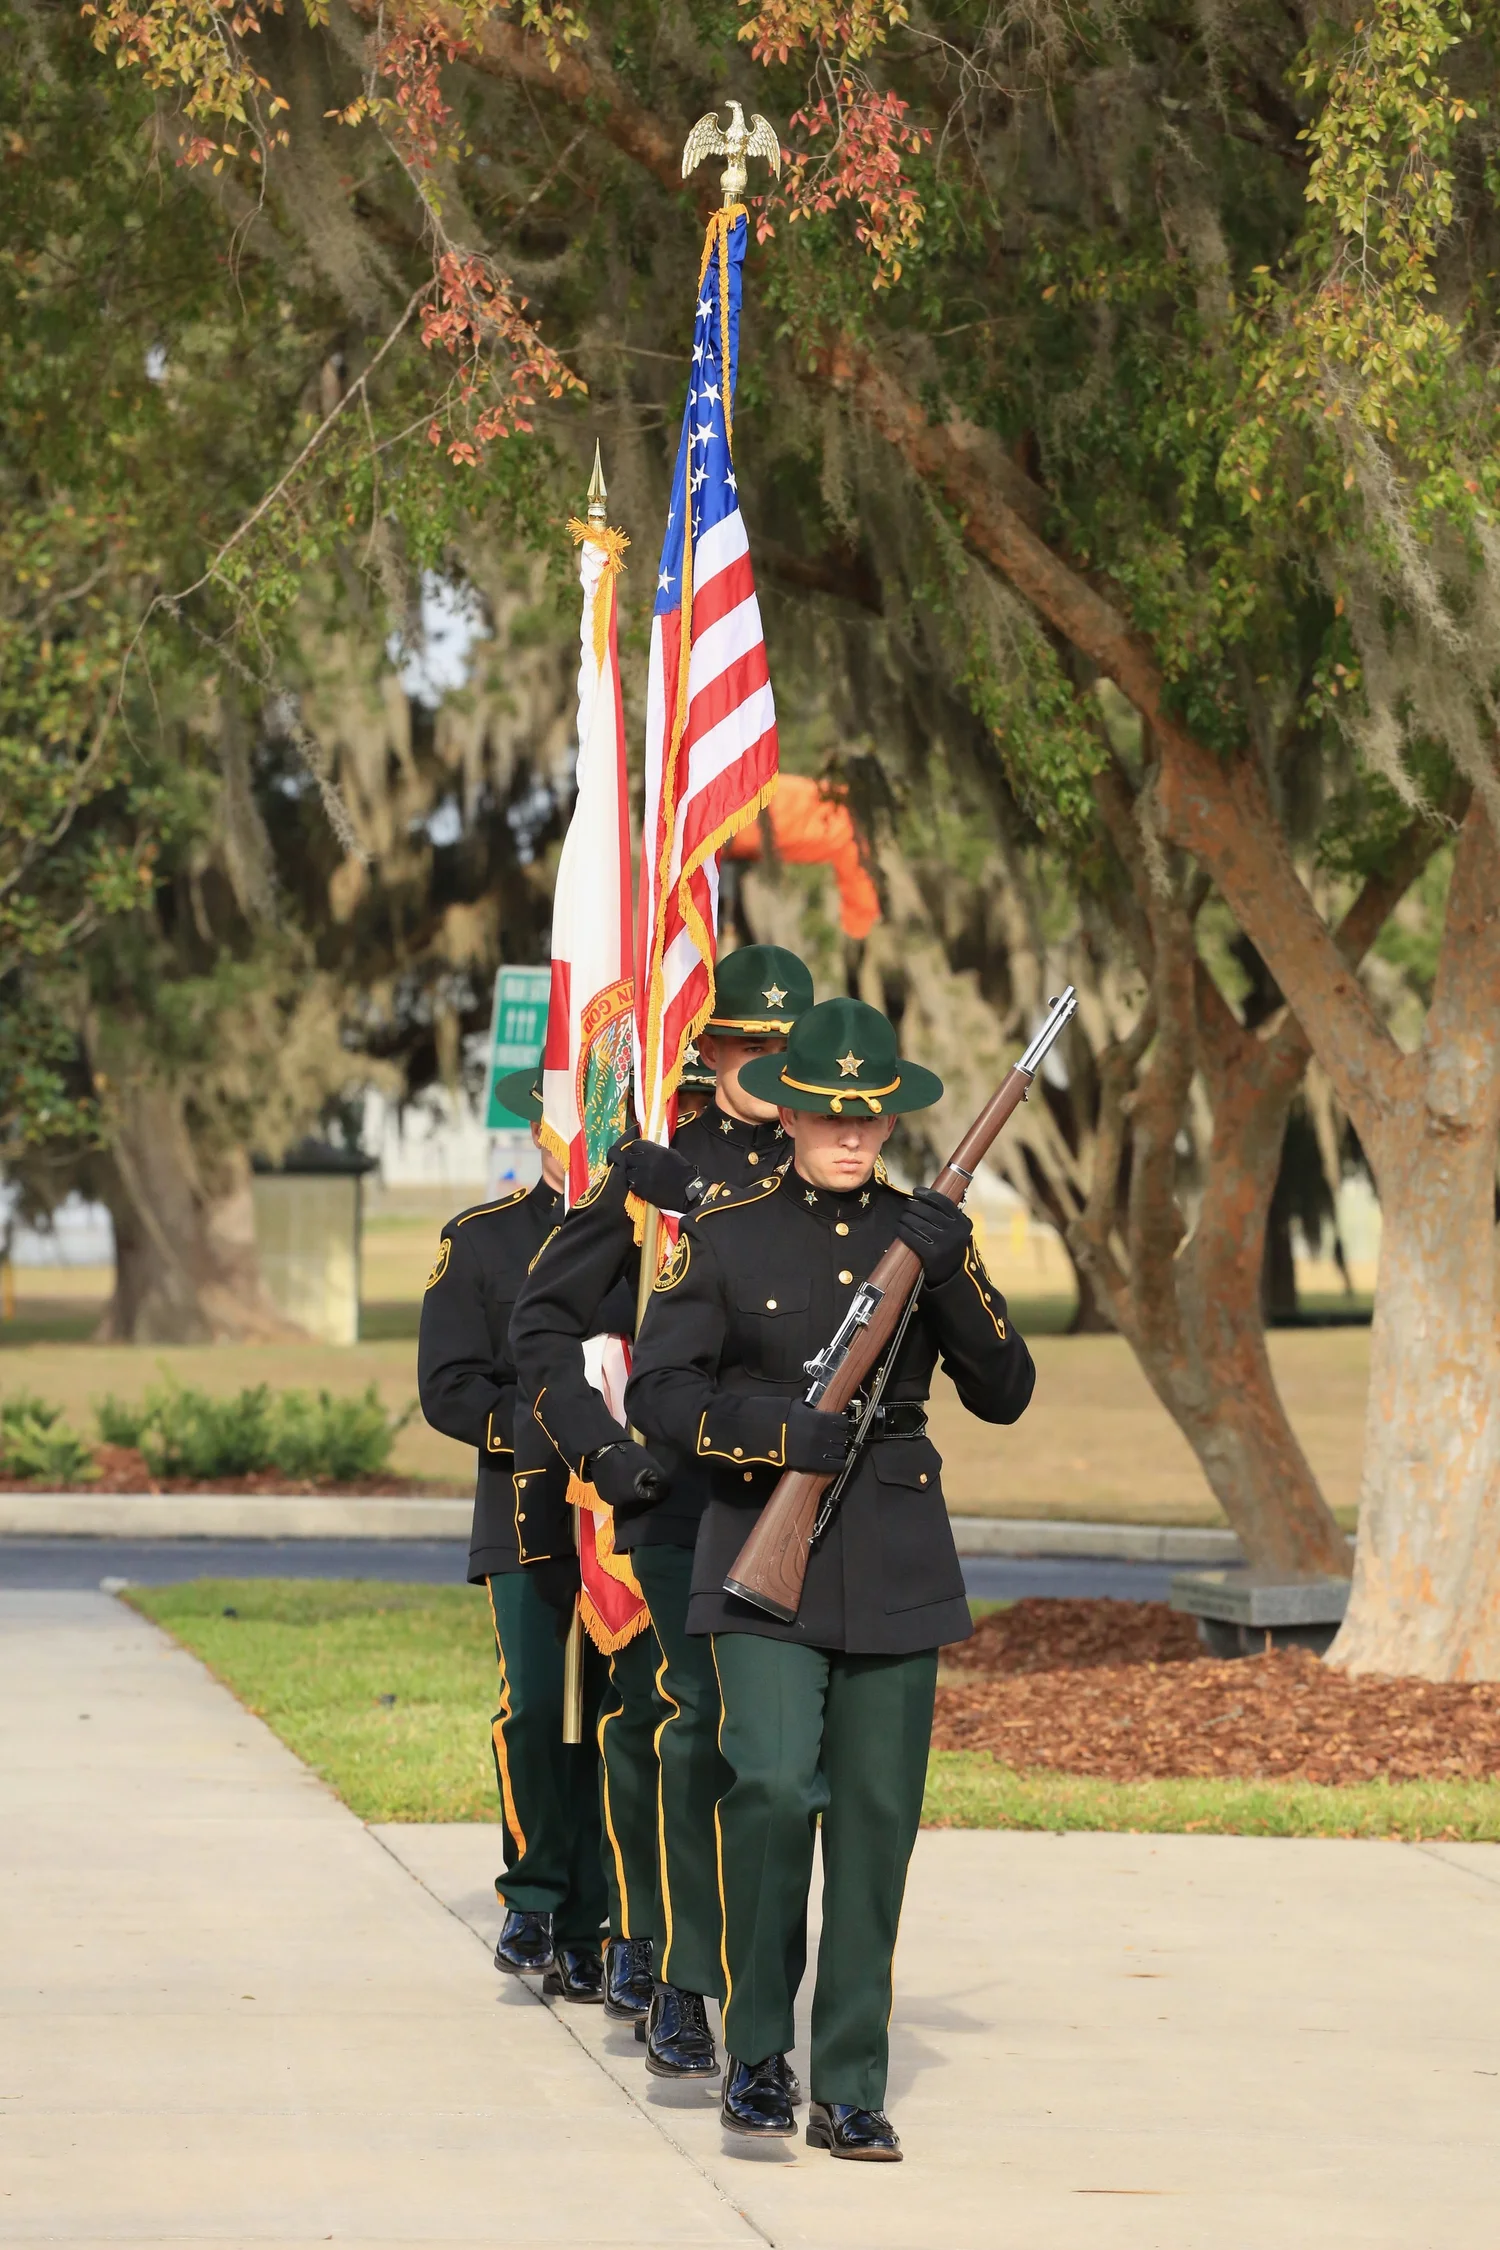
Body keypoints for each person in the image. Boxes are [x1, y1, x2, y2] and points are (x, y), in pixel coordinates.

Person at [626, 996, 1036, 2160]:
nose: (851, 1139)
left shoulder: (932, 1232)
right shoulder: (729, 1228)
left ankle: (848, 2082)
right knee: (765, 1789)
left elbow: (1004, 1392)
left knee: (872, 1824)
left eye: (871, 1120)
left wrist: (954, 1279)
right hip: (760, 1553)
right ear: (792, 1114)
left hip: (895, 1558)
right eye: (828, 1117)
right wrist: (767, 1432)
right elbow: (661, 1391)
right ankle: (756, 2051)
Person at [509, 944, 815, 2084]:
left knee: (782, 1762)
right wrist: (604, 1452)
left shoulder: (829, 1170)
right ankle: (683, 1976)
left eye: (790, 1047)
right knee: (690, 1731)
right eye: (748, 1044)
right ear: (708, 1045)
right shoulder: (654, 1166)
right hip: (680, 1494)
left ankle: (761, 1989)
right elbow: (542, 1329)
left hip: (801, 1500)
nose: (771, 1066)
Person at [417, 1068, 611, 2007]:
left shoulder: (655, 1242)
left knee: (618, 1718)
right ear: (537, 1132)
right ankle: (535, 1895)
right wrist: (542, 1428)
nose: (572, 1141)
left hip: (628, 1516)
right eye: (561, 1125)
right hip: (527, 1509)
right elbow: (449, 1384)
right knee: (538, 1708)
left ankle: (598, 1924)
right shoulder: (482, 1241)